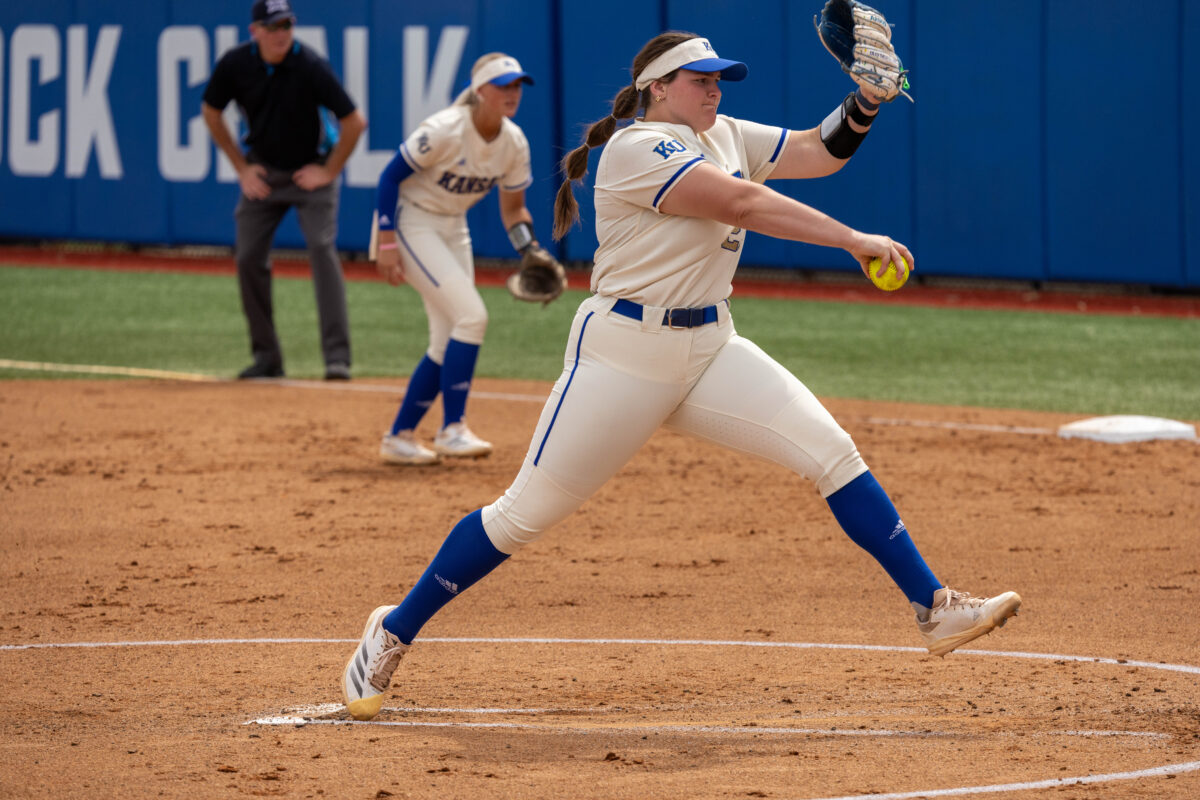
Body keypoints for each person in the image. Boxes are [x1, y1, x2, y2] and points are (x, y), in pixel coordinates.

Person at [342, 32, 1022, 721]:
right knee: (521, 517)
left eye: (719, 78)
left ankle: (932, 606)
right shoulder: (638, 148)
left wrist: (865, 104)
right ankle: (393, 629)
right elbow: (742, 206)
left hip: (710, 347)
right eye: (699, 79)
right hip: (622, 356)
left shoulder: (726, 132)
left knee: (832, 453)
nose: (714, 88)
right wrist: (853, 240)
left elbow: (818, 150)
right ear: (657, 88)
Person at [372, 53, 542, 464]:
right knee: (472, 316)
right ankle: (452, 428)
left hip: (453, 227)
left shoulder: (514, 142)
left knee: (447, 338)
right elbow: (390, 176)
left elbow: (513, 209)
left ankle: (399, 437)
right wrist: (387, 240)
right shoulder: (446, 129)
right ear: (480, 90)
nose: (512, 93)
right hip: (411, 222)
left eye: (518, 85)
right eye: (504, 85)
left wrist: (529, 250)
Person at [201, 0, 366, 381]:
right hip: (265, 174)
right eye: (273, 27)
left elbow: (354, 121)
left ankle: (337, 359)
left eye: (287, 25)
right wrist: (241, 167)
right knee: (247, 257)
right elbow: (211, 110)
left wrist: (329, 170)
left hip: (310, 176)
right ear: (254, 31)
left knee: (322, 250)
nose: (282, 34)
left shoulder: (309, 65)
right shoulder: (236, 64)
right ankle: (267, 358)